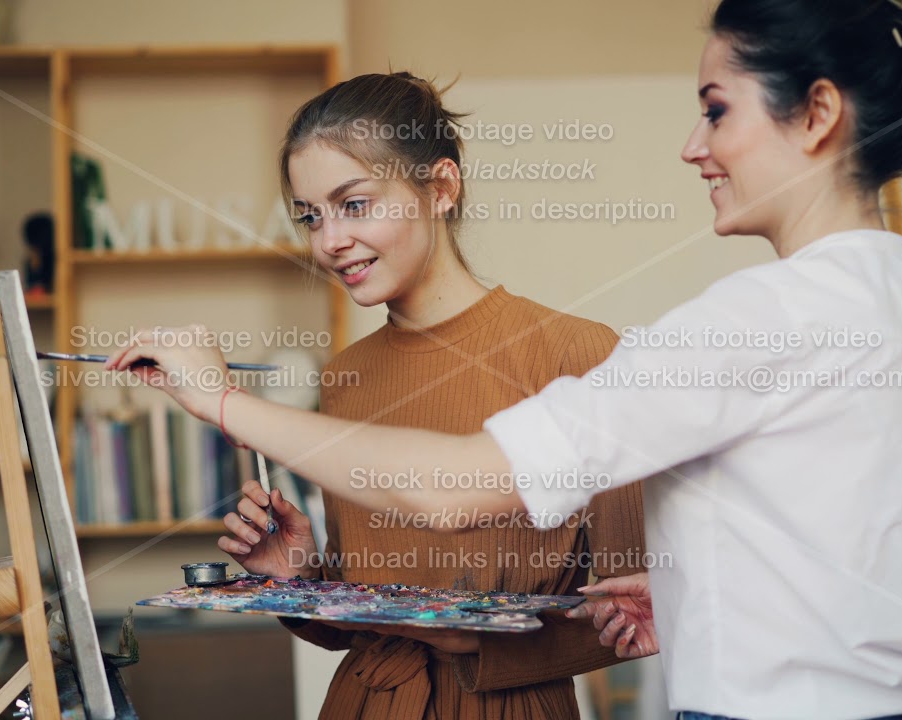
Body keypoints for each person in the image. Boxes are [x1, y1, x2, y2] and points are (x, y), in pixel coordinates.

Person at [106, 1, 902, 717]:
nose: (693, 146)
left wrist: (220, 399)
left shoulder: (746, 323)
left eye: (714, 110)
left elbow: (457, 487)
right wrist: (704, 596)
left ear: (817, 113)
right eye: (310, 216)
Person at [197, 72, 647, 720]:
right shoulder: (344, 379)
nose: (328, 241)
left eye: (354, 204)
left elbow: (630, 612)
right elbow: (364, 623)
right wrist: (299, 582)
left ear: (440, 187)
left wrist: (477, 644)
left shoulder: (578, 355)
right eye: (310, 216)